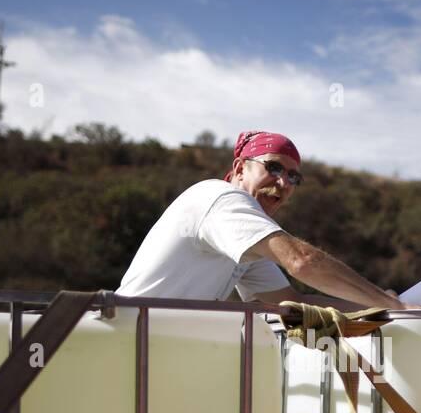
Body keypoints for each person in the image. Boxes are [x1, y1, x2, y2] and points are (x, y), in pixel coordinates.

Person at [116, 129, 404, 310]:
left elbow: (289, 302)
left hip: (148, 343)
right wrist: (391, 303)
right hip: (121, 338)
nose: (283, 182)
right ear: (240, 169)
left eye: (293, 176)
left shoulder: (250, 239)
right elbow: (301, 260)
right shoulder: (221, 198)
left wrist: (375, 308)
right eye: (274, 167)